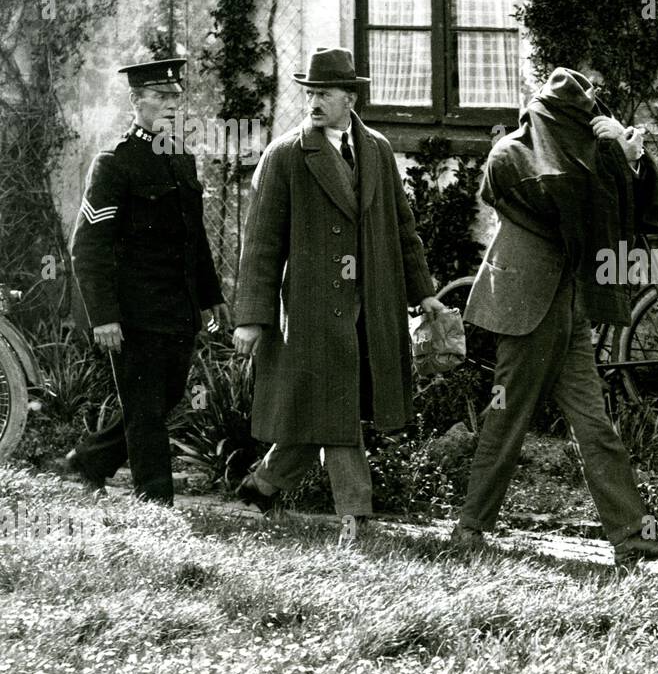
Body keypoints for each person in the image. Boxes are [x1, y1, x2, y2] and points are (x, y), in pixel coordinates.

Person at [450, 67, 658, 568]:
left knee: (595, 425)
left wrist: (634, 161)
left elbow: (634, 215)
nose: (582, 130)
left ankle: (633, 539)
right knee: (506, 418)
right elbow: (567, 206)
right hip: (527, 311)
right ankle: (470, 527)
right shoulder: (511, 156)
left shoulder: (585, 159)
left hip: (568, 307)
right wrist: (611, 159)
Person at [231, 47, 445, 547]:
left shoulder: (377, 151)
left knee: (326, 410)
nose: (314, 102)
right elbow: (261, 245)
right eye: (309, 93)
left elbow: (403, 229)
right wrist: (252, 318)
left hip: (371, 306)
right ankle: (357, 518)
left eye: (324, 93)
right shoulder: (285, 155)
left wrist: (425, 294)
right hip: (310, 310)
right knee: (340, 413)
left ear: (350, 97)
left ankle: (263, 485)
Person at [58, 57, 229, 505]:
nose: (171, 104)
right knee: (145, 407)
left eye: (175, 97)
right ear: (136, 101)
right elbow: (88, 248)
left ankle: (89, 460)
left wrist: (211, 299)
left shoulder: (181, 160)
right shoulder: (115, 164)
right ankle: (156, 503)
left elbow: (196, 242)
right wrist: (104, 318)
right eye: (160, 97)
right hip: (132, 314)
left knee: (163, 397)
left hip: (176, 309)